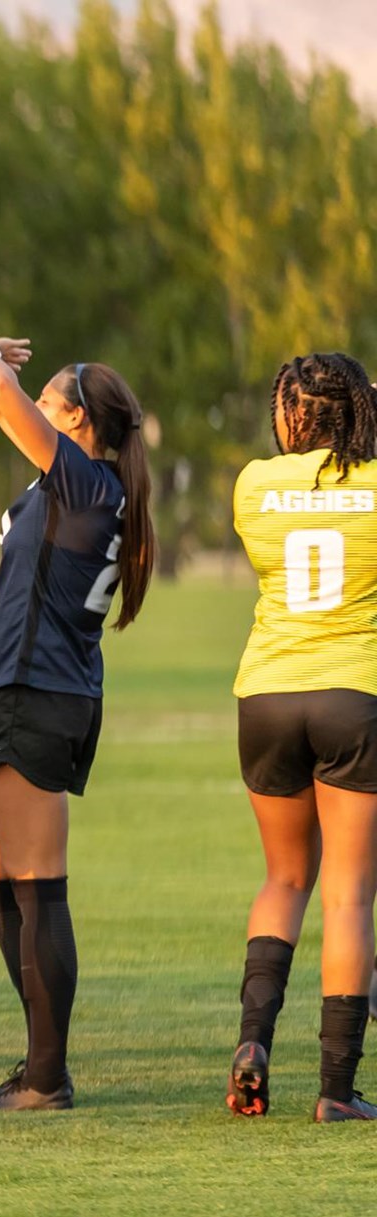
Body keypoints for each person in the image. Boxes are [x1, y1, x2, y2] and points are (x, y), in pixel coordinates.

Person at [0, 299, 154, 1111]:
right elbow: (3, 403)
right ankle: (41, 1056)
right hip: (32, 687)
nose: (38, 403)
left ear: (76, 420)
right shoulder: (76, 479)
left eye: (53, 397)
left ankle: (46, 1076)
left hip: (39, 689)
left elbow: (4, 392)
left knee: (38, 885)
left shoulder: (83, 478)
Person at [225, 352, 377, 1121]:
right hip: (354, 693)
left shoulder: (254, 485)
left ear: (288, 416)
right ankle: (338, 1089)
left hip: (268, 695)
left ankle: (252, 1044)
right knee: (349, 894)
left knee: (286, 878)